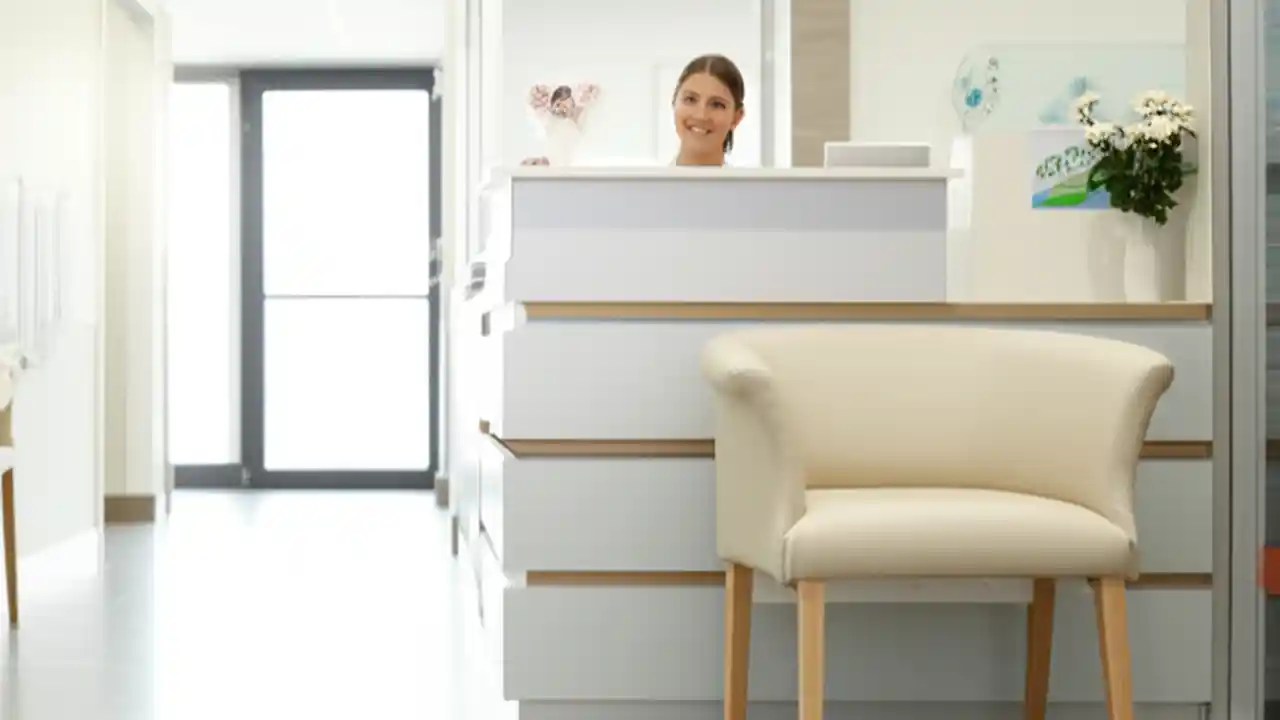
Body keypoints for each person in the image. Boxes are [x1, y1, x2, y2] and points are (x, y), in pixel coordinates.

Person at [671, 54, 745, 167]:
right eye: (690, 99)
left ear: (736, 117)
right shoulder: (644, 184)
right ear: (674, 103)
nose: (701, 115)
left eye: (717, 105)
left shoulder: (752, 185)